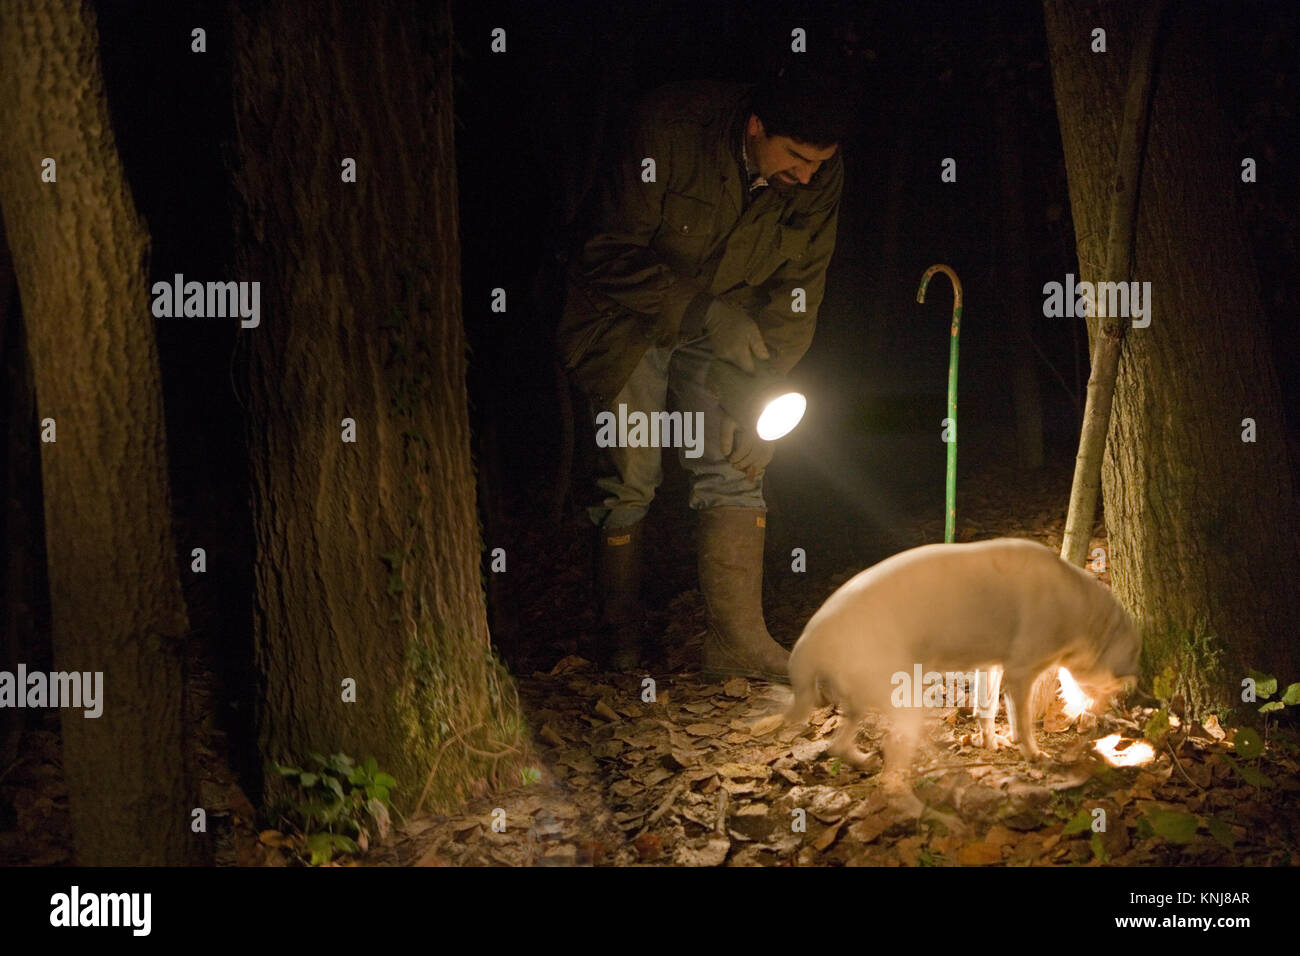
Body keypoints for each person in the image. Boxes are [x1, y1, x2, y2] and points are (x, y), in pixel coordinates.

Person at [557, 65, 848, 681]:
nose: (806, 175)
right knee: (631, 473)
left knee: (739, 463)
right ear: (755, 127)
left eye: (819, 164)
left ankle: (737, 642)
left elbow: (801, 290)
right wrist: (703, 312)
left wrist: (762, 397)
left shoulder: (816, 176)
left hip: (731, 329)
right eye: (794, 157)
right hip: (628, 319)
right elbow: (602, 250)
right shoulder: (668, 127)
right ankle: (621, 646)